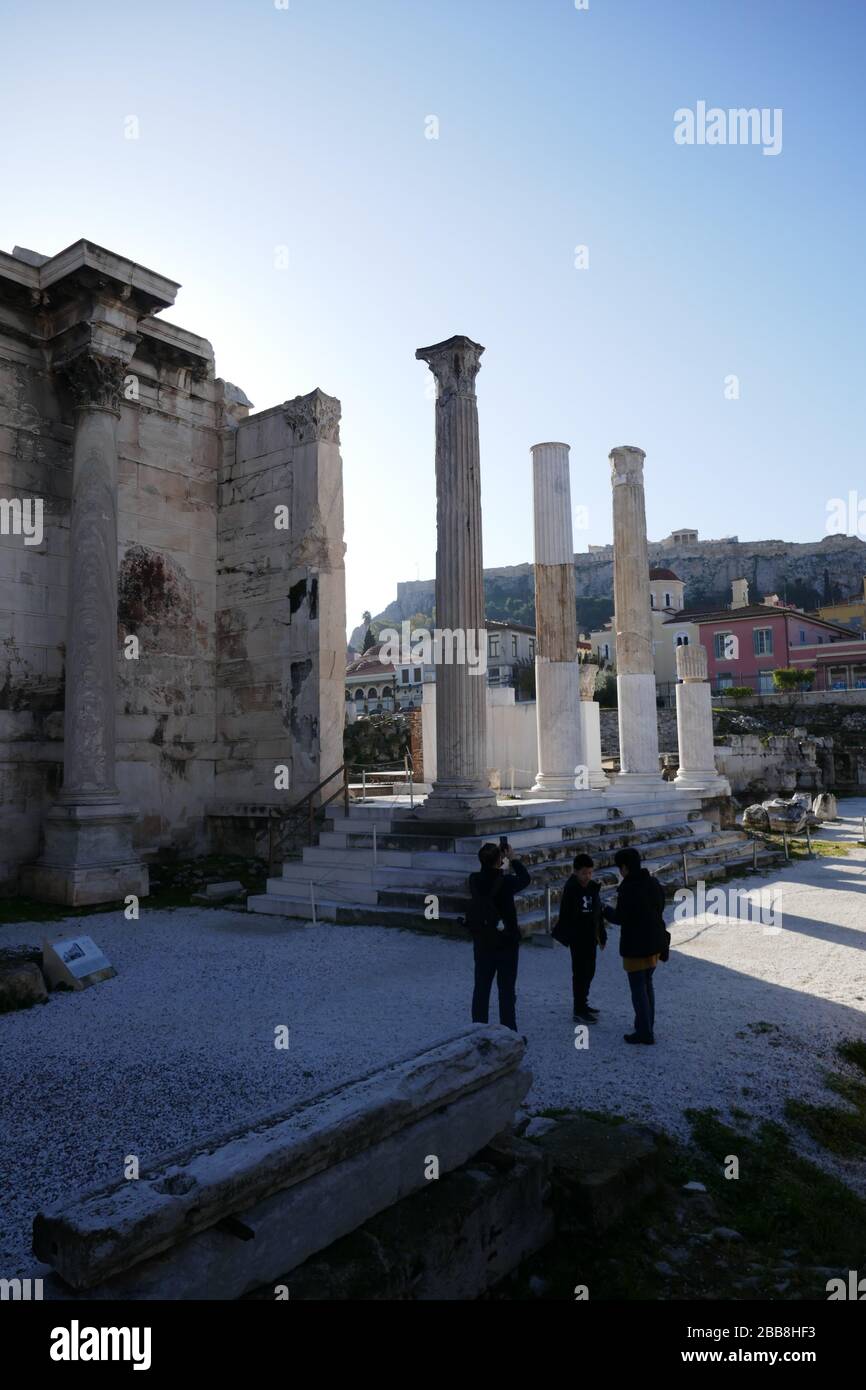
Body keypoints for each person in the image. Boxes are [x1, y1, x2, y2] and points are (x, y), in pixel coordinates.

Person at [602, 846, 667, 1045]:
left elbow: (620, 918)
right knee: (648, 984)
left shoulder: (628, 889)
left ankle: (644, 1031)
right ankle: (647, 1024)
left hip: (635, 945)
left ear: (624, 868)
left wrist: (604, 910)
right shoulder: (653, 882)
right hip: (654, 940)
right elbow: (660, 906)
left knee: (638, 988)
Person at [466, 842, 531, 1032]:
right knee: (506, 990)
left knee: (481, 988)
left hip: (483, 940)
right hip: (506, 940)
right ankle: (508, 1032)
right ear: (499, 860)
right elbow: (525, 879)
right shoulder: (507, 882)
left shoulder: (474, 880)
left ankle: (477, 1031)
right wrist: (513, 858)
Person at [553, 853, 607, 1024]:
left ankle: (584, 1002)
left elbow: (597, 913)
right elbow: (567, 916)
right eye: (584, 873)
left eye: (590, 873)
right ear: (575, 872)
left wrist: (601, 934)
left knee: (590, 971)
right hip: (578, 937)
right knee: (580, 973)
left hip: (591, 936)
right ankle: (579, 1009)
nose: (588, 876)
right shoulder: (571, 889)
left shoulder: (592, 887)